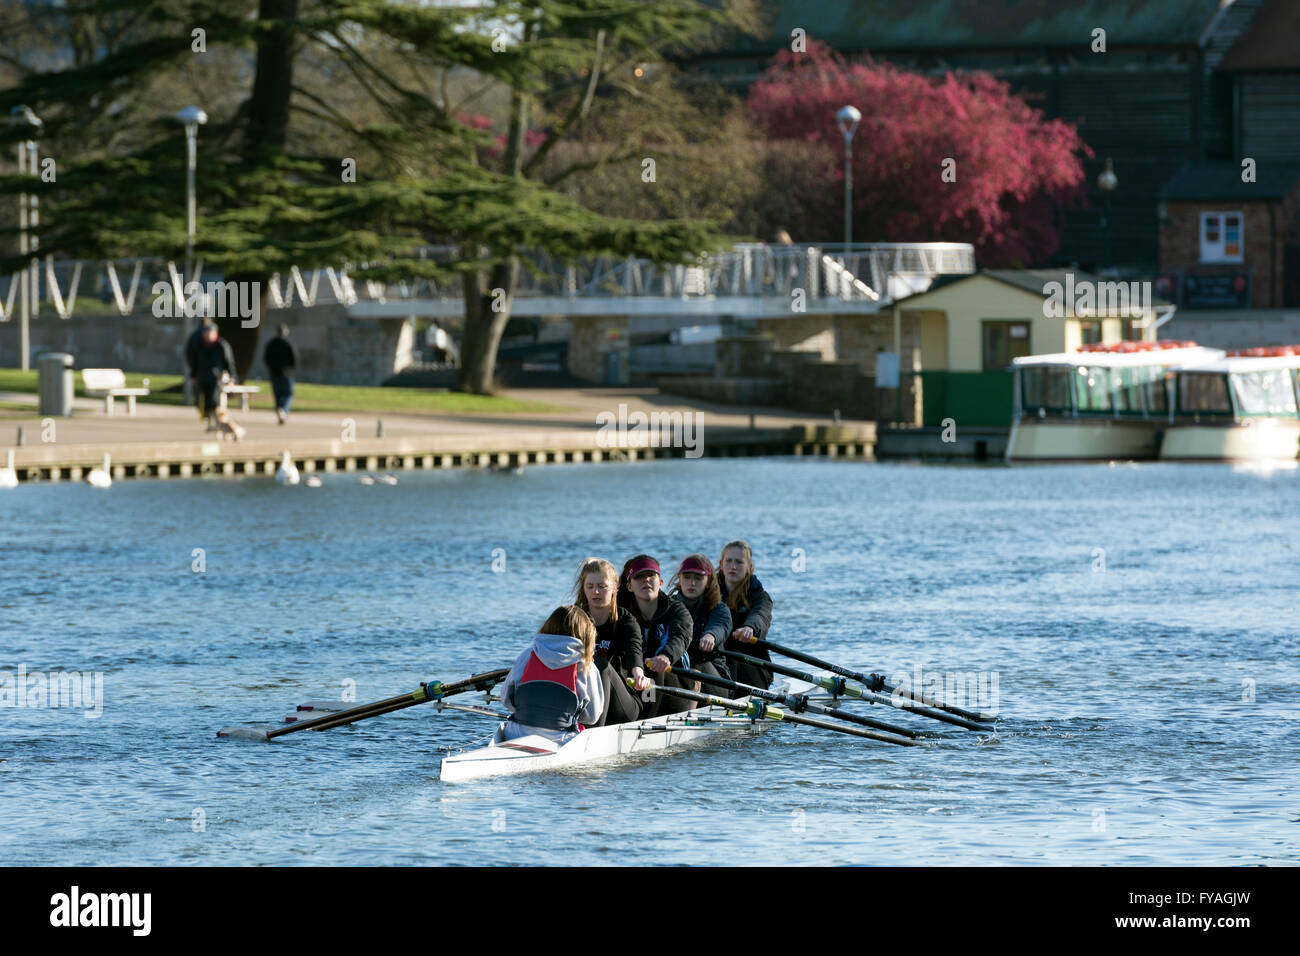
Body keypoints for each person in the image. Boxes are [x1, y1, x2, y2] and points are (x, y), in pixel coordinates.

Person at [498, 605, 605, 744]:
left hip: (517, 735)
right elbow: (592, 716)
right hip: (562, 740)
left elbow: (506, 699)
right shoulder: (586, 665)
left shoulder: (528, 654)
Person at [572, 557, 649, 724]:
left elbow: (634, 650)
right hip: (584, 701)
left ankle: (594, 733)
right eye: (590, 586)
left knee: (601, 666)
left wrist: (638, 673)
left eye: (602, 586)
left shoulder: (625, 621)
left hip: (623, 705)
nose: (596, 592)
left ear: (614, 588)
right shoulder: (575, 620)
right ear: (584, 589)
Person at [617, 555, 694, 716]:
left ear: (660, 583)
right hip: (637, 683)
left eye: (651, 575)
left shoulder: (676, 610)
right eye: (639, 577)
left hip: (673, 684)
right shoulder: (622, 614)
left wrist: (666, 656)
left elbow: (681, 636)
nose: (646, 580)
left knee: (654, 665)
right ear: (629, 586)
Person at [717, 540, 775, 689]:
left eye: (739, 562)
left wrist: (750, 627)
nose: (733, 567)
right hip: (718, 659)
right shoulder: (709, 594)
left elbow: (761, 615)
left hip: (754, 663)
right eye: (728, 561)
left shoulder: (760, 597)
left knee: (734, 659)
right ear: (721, 565)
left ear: (749, 568)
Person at [669, 554, 732, 688]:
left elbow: (720, 625)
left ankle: (689, 708)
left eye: (698, 578)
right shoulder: (668, 606)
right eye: (686, 577)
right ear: (679, 580)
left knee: (695, 660)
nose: (692, 583)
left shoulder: (719, 608)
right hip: (678, 669)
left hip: (716, 679)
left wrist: (711, 636)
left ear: (708, 581)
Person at [186, 320, 237, 431]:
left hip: (216, 379)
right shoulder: (200, 346)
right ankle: (209, 421)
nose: (207, 336)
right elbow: (195, 362)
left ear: (215, 333)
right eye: (206, 333)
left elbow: (229, 363)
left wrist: (232, 378)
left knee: (214, 402)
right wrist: (193, 375)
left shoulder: (222, 346)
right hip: (201, 377)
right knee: (201, 403)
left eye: (210, 333)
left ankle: (216, 424)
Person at [263, 324, 296, 424]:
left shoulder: (271, 344)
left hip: (274, 373)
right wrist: (291, 370)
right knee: (288, 393)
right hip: (286, 373)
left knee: (277, 394)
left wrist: (271, 368)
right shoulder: (287, 343)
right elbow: (293, 359)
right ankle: (283, 410)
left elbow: (266, 358)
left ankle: (279, 408)